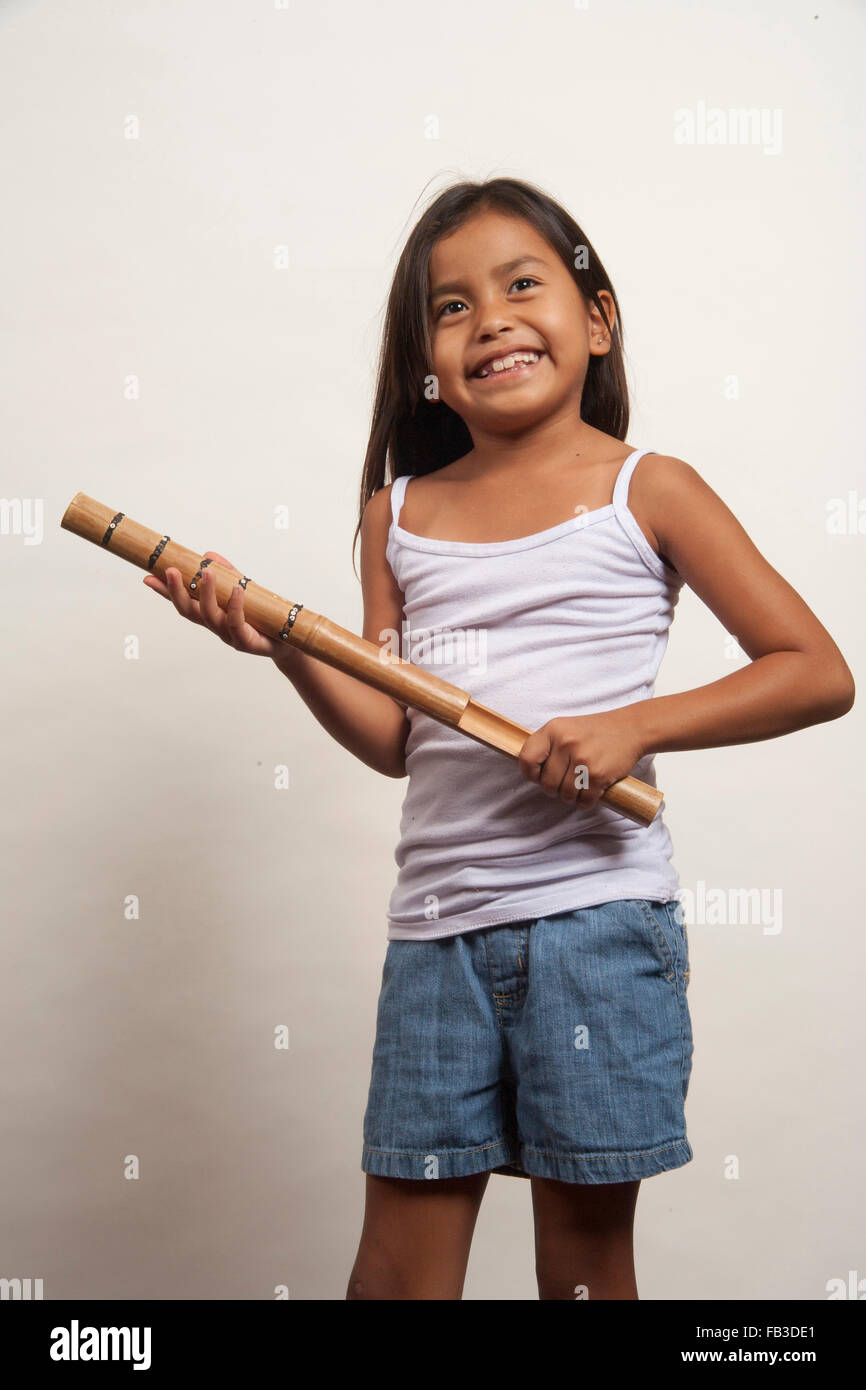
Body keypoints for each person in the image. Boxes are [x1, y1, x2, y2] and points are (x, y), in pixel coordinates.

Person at [143, 177, 855, 1300]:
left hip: (600, 932)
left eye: (523, 285)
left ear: (597, 319)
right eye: (451, 306)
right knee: (397, 1273)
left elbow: (815, 672)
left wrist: (636, 725)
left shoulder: (648, 489)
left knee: (578, 1272)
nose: (491, 320)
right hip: (435, 939)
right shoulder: (397, 514)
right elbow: (393, 733)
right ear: (425, 359)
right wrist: (285, 648)